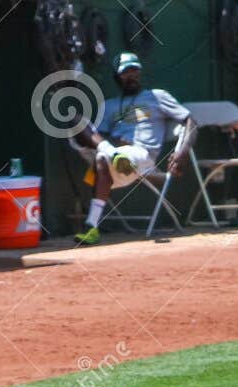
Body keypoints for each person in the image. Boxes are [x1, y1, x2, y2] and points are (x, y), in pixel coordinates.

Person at [71, 52, 193, 246]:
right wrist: (115, 143)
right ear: (116, 77)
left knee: (103, 157)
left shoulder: (157, 96)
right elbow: (95, 136)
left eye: (135, 70)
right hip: (115, 156)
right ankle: (114, 155)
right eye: (126, 72)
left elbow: (190, 121)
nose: (132, 76)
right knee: (77, 120)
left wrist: (183, 151)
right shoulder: (108, 106)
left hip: (142, 156)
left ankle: (91, 224)